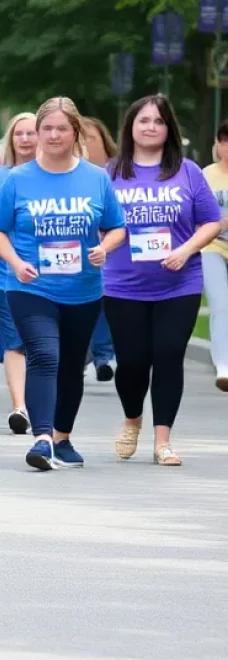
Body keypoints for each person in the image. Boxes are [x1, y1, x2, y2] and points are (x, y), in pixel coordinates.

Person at [0, 97, 126, 471]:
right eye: (45, 128)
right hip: (31, 287)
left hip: (82, 289)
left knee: (70, 365)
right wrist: (15, 263)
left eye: (61, 128)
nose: (52, 135)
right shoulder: (17, 180)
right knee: (44, 355)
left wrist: (103, 247)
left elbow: (117, 226)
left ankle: (63, 437)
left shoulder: (96, 178)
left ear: (74, 133)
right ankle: (42, 437)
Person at [103, 95, 221, 466]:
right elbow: (97, 220)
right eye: (143, 121)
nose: (150, 127)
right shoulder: (111, 172)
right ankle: (132, 418)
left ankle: (163, 440)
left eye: (158, 121)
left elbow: (212, 221)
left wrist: (186, 250)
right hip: (123, 284)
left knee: (169, 355)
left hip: (179, 283)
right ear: (131, 127)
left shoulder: (188, 171)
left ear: (169, 128)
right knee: (133, 362)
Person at [0, 113, 37, 433]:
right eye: (19, 134)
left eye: (31, 133)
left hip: (49, 275)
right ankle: (20, 407)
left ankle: (42, 401)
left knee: (38, 342)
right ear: (10, 140)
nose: (25, 139)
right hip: (4, 275)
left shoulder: (57, 177)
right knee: (13, 341)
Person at [82, 116, 118, 381]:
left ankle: (104, 355)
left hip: (115, 248)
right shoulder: (73, 173)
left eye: (90, 138)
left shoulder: (118, 171)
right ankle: (87, 353)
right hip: (79, 252)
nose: (85, 144)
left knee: (105, 300)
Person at [201, 120, 228, 391]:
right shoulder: (205, 175)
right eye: (225, 142)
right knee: (221, 303)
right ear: (218, 145)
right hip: (212, 247)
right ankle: (224, 365)